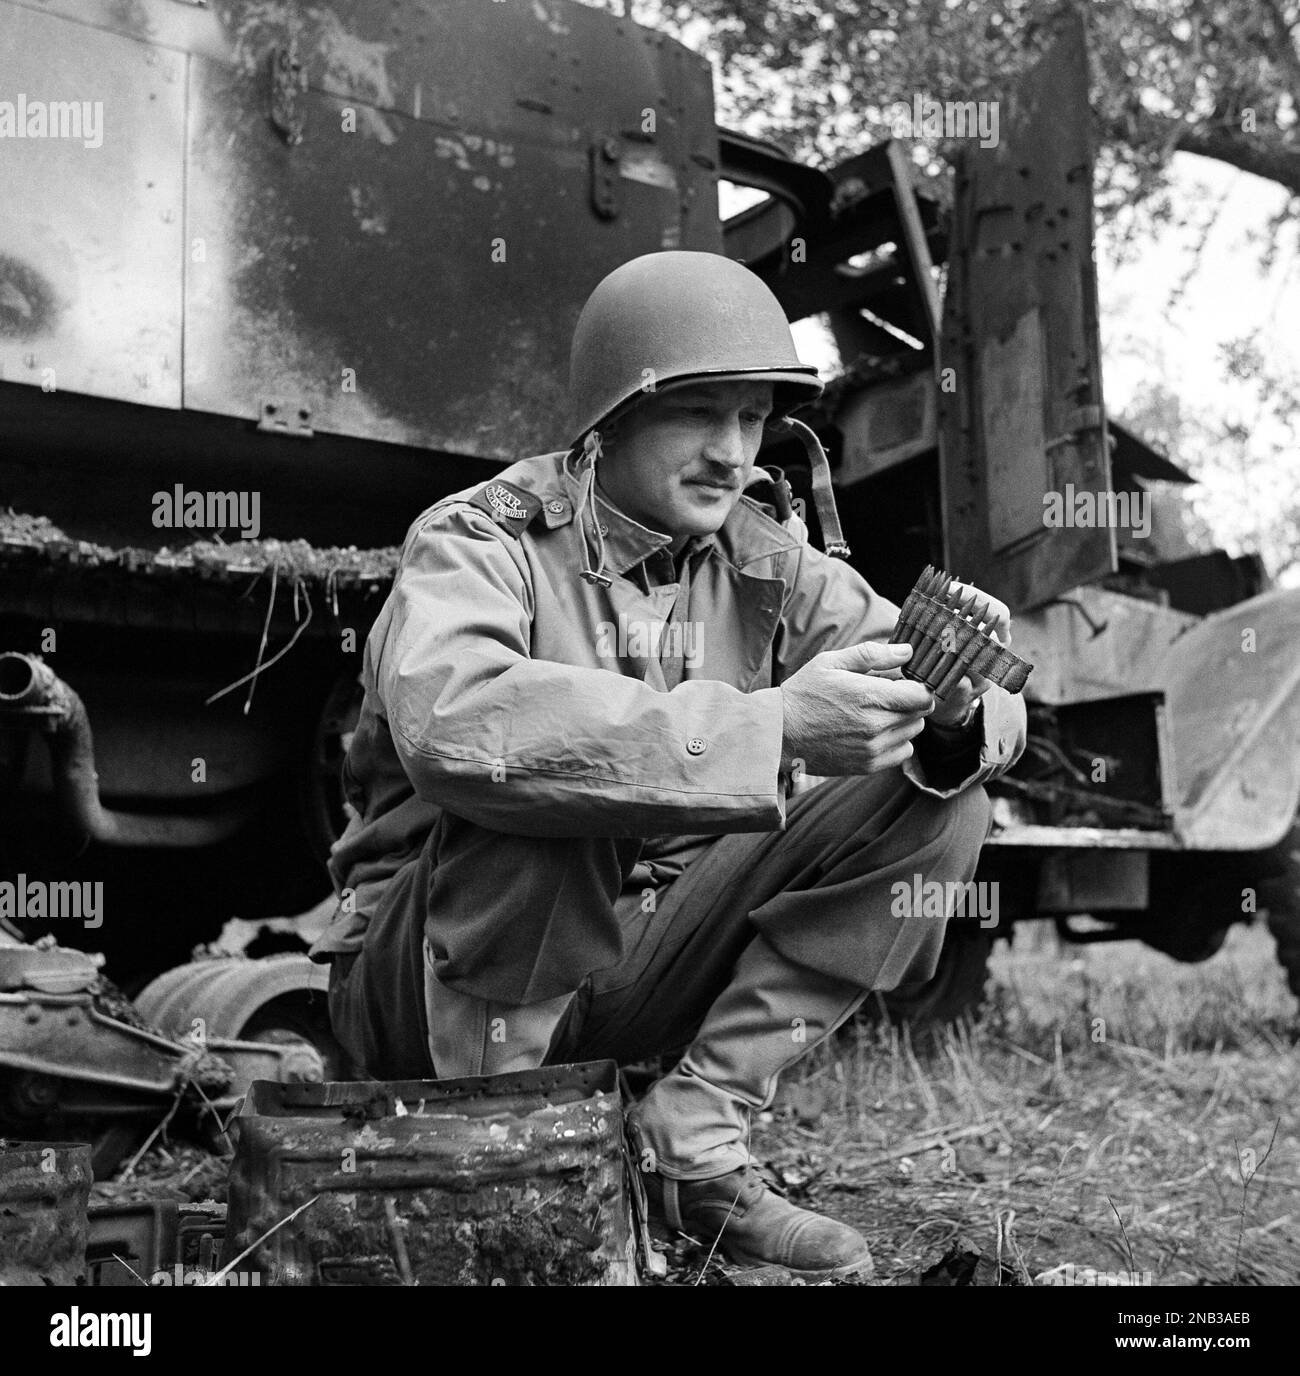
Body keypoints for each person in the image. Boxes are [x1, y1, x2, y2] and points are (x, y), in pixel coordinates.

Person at [309, 250, 1027, 1280]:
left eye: (751, 420)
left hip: (628, 960)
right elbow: (461, 725)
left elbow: (987, 705)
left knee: (932, 797)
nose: (732, 452)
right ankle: (493, 1161)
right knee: (560, 783)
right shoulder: (479, 537)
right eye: (701, 413)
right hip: (426, 986)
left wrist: (954, 710)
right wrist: (775, 727)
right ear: (608, 419)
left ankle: (689, 1144)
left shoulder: (760, 555)